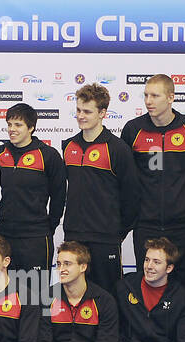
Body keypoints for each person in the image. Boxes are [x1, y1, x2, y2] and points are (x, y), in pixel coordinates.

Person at [122, 74, 185, 294]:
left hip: (182, 225)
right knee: (148, 284)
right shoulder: (133, 130)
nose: (148, 101)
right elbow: (128, 177)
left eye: (155, 95)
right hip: (146, 223)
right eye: (145, 95)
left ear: (171, 98)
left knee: (184, 284)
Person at [61, 83, 138, 296]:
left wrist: (117, 230)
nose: (81, 116)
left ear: (102, 113)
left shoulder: (118, 148)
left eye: (87, 111)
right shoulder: (68, 146)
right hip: (74, 235)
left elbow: (132, 196)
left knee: (108, 295)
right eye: (78, 110)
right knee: (74, 295)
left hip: (106, 237)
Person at [0, 103, 66, 277]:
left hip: (35, 236)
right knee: (5, 292)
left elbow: (59, 196)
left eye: (18, 125)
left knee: (37, 294)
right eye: (9, 124)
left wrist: (48, 226)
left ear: (31, 127)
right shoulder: (2, 152)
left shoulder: (48, 155)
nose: (12, 129)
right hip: (5, 234)